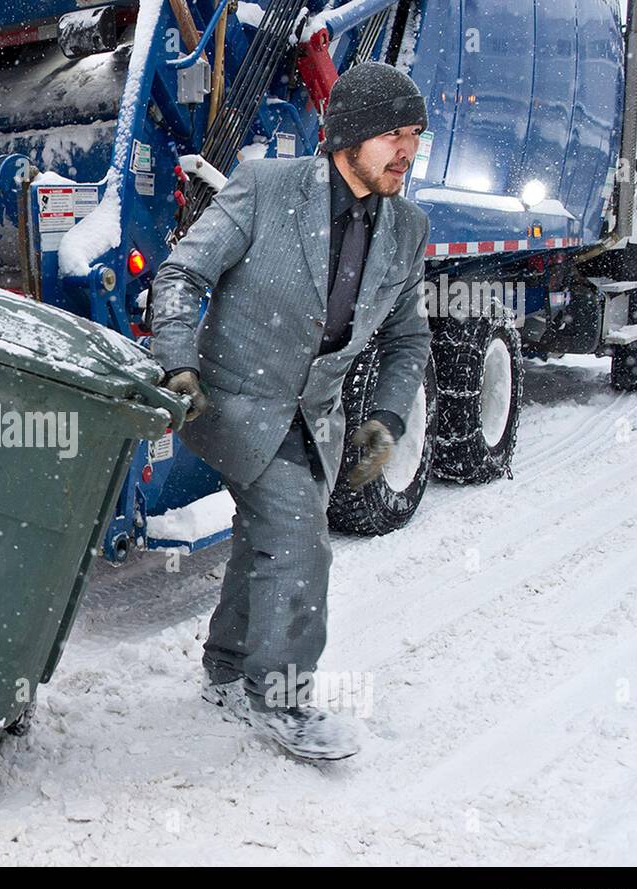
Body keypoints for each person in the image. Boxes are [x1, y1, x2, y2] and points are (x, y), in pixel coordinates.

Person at [150, 63, 433, 760]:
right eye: (394, 134)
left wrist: (389, 420)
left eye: (415, 135)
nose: (408, 149)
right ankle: (281, 698)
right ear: (350, 136)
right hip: (234, 401)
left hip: (315, 416)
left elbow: (408, 337)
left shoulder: (405, 227)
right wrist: (177, 361)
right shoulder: (264, 188)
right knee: (299, 539)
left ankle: (225, 667)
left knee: (265, 537)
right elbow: (184, 272)